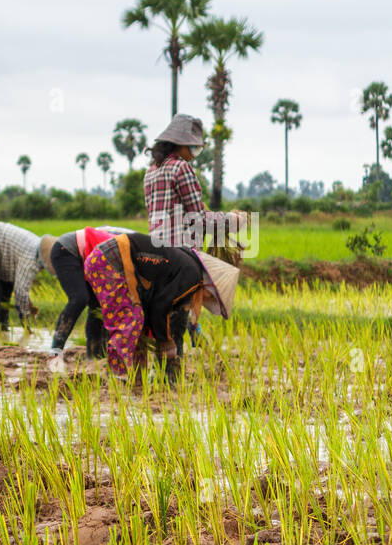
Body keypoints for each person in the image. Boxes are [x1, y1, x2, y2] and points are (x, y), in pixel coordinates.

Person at [144, 114, 247, 357]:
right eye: (193, 145)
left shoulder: (151, 171)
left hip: (154, 251)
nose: (195, 150)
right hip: (181, 255)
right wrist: (233, 222)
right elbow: (198, 219)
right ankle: (174, 366)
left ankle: (163, 365)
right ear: (179, 143)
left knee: (162, 311)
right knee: (178, 312)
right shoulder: (182, 168)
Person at [83, 231, 239, 383]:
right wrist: (166, 343)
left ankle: (138, 378)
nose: (206, 301)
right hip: (109, 260)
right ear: (210, 288)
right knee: (131, 318)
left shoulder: (188, 266)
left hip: (103, 258)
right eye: (210, 297)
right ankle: (118, 377)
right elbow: (160, 308)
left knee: (140, 323)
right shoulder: (192, 276)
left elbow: (154, 306)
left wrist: (165, 342)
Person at [45, 225, 135, 371]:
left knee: (99, 305)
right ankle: (55, 353)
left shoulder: (139, 256)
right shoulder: (133, 254)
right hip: (67, 251)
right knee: (79, 298)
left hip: (92, 259)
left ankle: (93, 357)